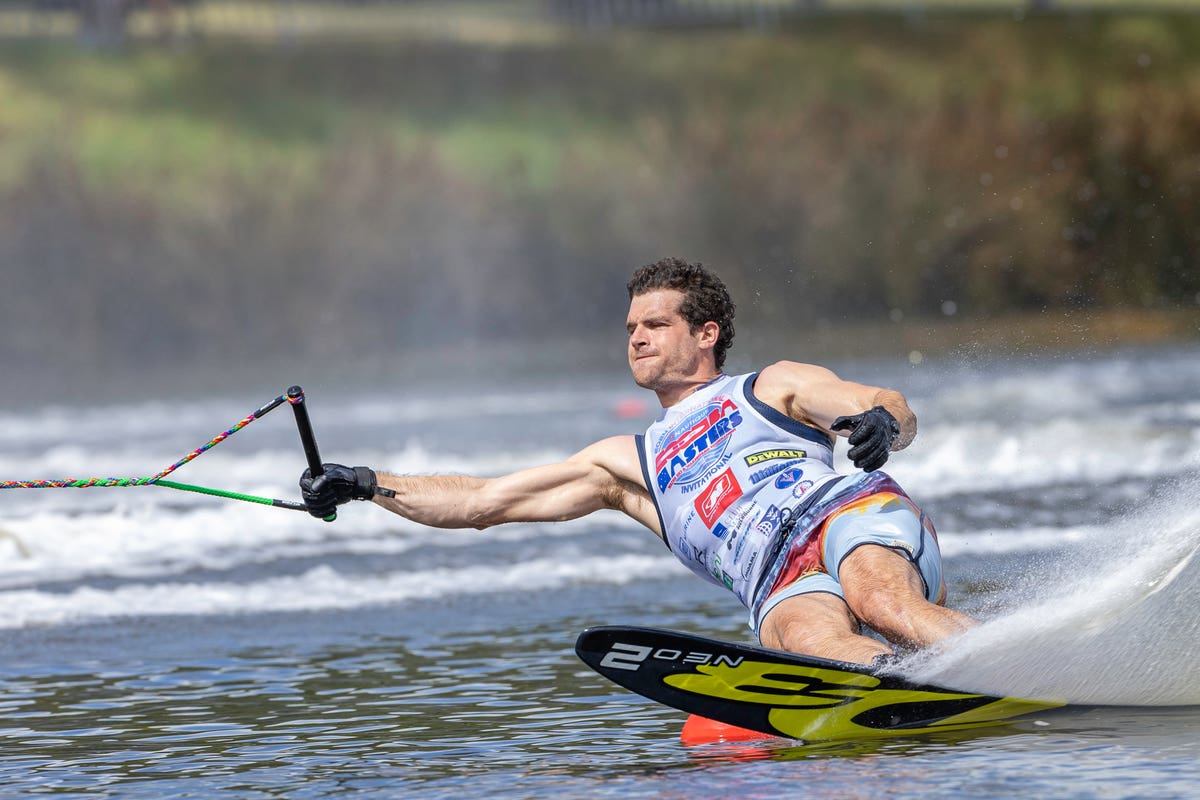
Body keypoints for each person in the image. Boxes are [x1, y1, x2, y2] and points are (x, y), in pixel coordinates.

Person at [300, 258, 974, 666]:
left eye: (654, 325)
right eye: (630, 329)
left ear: (705, 335)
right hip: (778, 581)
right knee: (805, 637)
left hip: (846, 521)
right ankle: (903, 687)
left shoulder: (770, 386)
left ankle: (1008, 663)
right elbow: (482, 502)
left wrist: (885, 424)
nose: (637, 337)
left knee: (880, 600)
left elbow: (881, 401)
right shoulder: (628, 465)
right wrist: (365, 484)